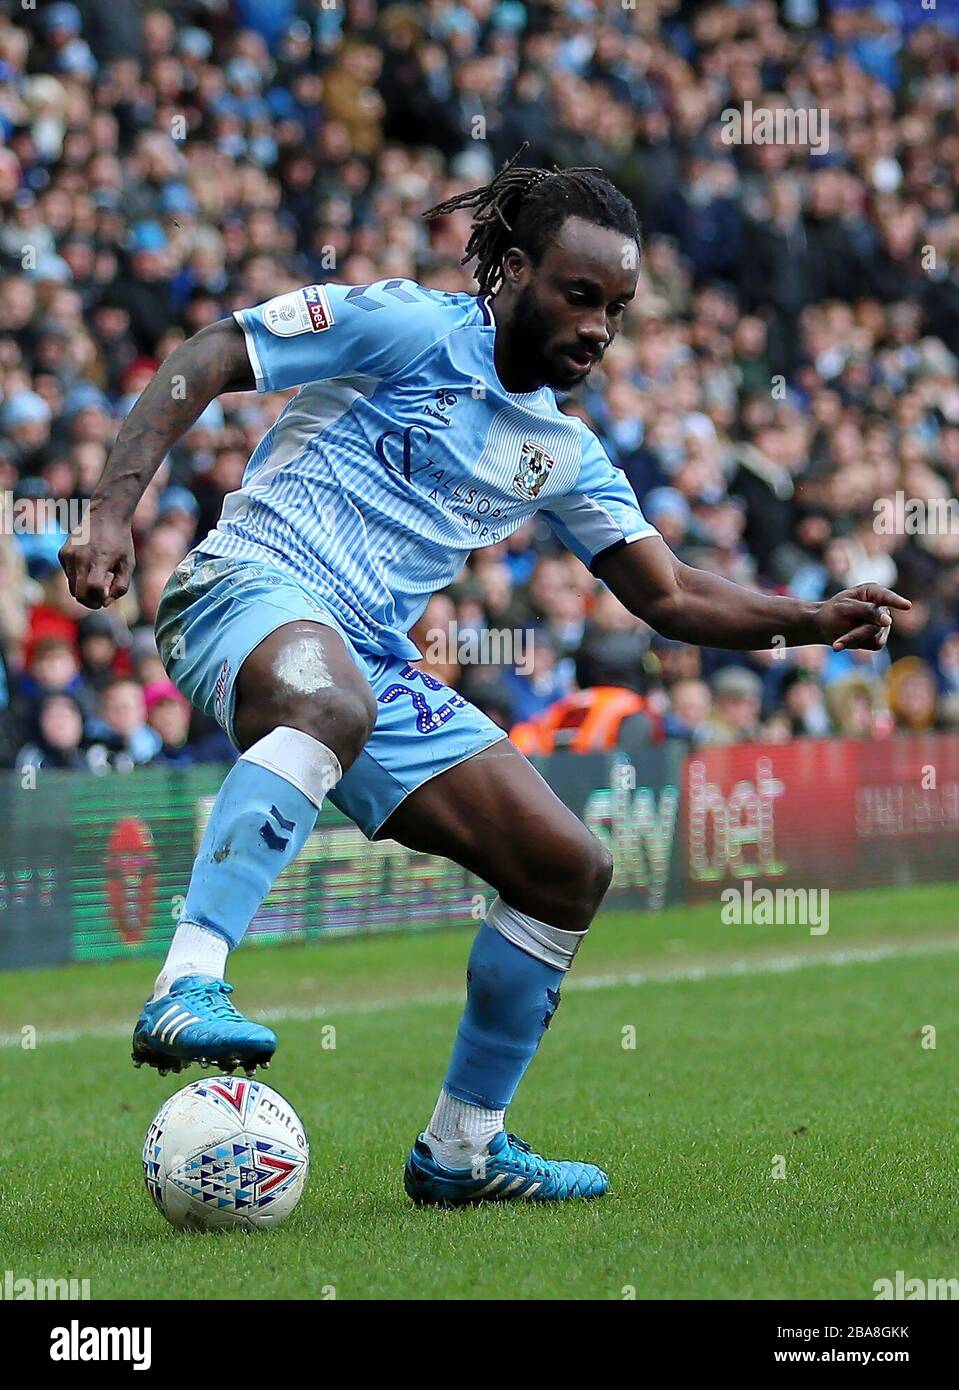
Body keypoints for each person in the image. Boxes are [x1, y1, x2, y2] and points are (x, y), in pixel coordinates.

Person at [60, 149, 908, 1206]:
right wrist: (108, 513)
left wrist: (813, 619)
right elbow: (211, 352)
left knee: (565, 866)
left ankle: (461, 1149)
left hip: (363, 660)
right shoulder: (406, 327)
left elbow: (670, 595)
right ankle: (189, 980)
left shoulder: (562, 451)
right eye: (578, 294)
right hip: (246, 589)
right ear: (509, 269)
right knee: (333, 700)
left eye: (616, 307)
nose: (597, 326)